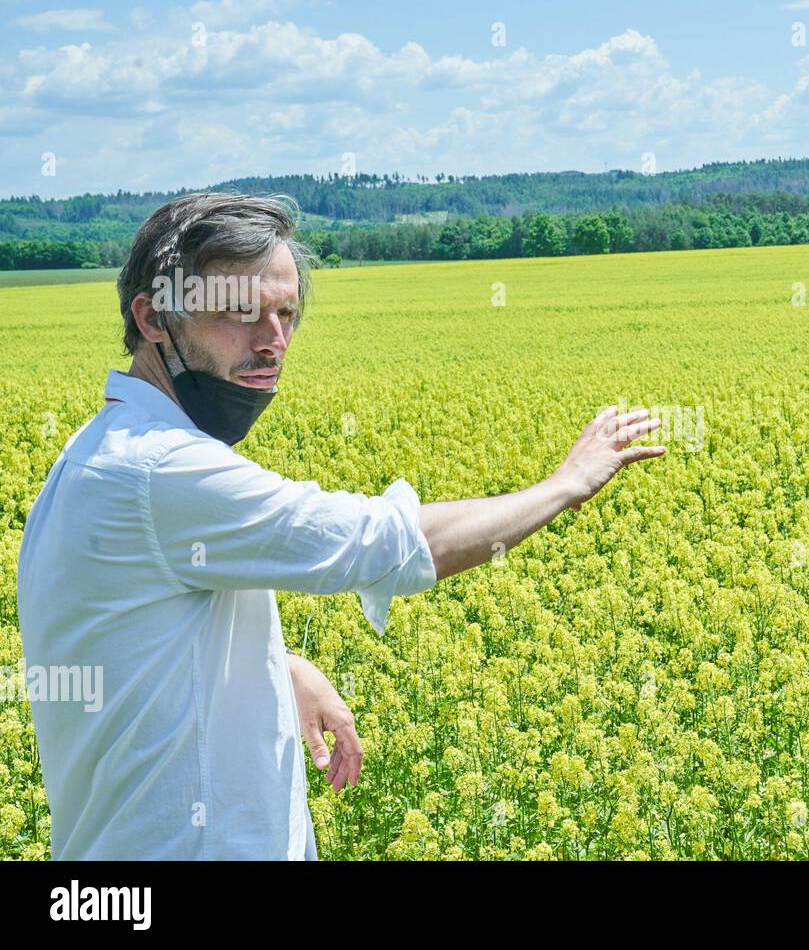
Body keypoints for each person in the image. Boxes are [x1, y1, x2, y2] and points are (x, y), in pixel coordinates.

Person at [16, 192, 664, 859]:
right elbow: (388, 545)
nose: (272, 340)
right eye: (239, 313)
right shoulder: (158, 470)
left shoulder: (104, 450)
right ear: (154, 319)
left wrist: (275, 666)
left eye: (286, 313)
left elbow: (137, 632)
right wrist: (565, 486)